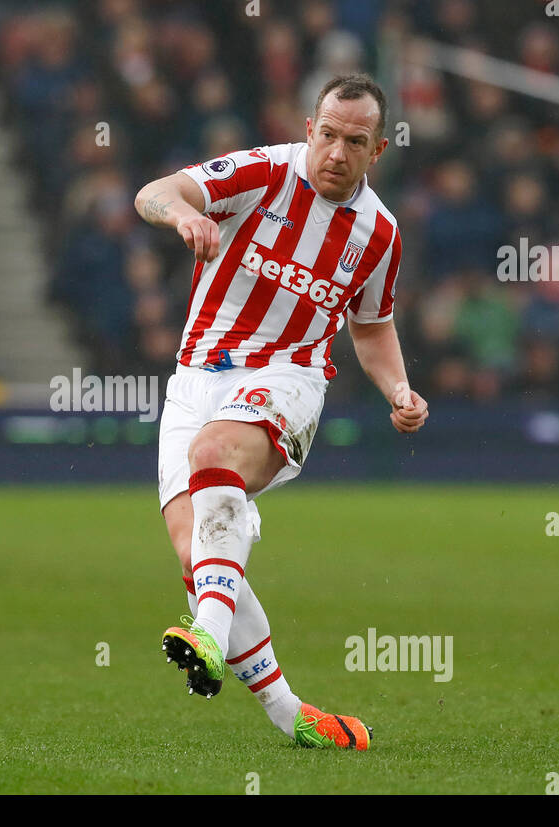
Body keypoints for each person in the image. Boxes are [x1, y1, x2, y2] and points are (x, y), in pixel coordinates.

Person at [133, 73, 429, 749]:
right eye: (327, 135)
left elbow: (372, 325)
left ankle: (205, 631)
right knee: (196, 546)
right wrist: (184, 215)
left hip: (289, 376)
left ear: (377, 149)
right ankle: (289, 712)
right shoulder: (261, 172)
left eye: (355, 141)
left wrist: (399, 391)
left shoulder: (379, 233)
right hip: (196, 380)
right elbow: (155, 191)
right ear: (309, 129)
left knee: (213, 457)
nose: (336, 152)